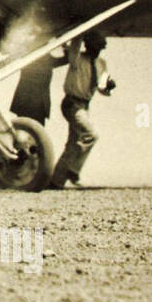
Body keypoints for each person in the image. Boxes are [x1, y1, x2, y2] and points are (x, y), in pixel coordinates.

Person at [48, 30, 115, 188]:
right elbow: (74, 46)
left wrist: (109, 88)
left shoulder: (101, 64)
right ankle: (73, 171)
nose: (96, 50)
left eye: (99, 47)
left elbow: (102, 88)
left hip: (84, 105)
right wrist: (81, 30)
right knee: (91, 134)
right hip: (72, 103)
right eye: (94, 46)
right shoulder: (76, 59)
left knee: (73, 142)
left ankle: (56, 181)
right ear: (88, 45)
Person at [10, 49, 64, 126]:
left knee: (23, 130)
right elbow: (67, 58)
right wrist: (65, 46)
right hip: (37, 105)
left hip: (25, 102)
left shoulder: (29, 56)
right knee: (33, 132)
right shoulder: (47, 59)